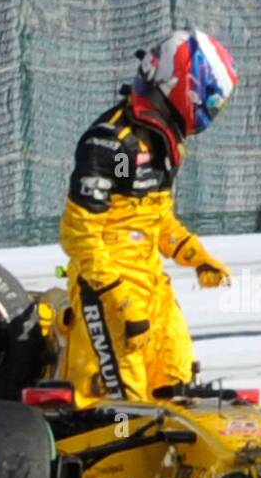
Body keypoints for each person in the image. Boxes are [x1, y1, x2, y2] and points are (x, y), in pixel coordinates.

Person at [58, 27, 238, 405]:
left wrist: (196, 255)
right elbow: (80, 235)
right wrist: (118, 299)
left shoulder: (162, 144)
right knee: (126, 411)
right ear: (184, 85)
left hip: (152, 285)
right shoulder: (111, 143)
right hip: (107, 290)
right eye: (211, 100)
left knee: (178, 387)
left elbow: (155, 223)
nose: (211, 112)